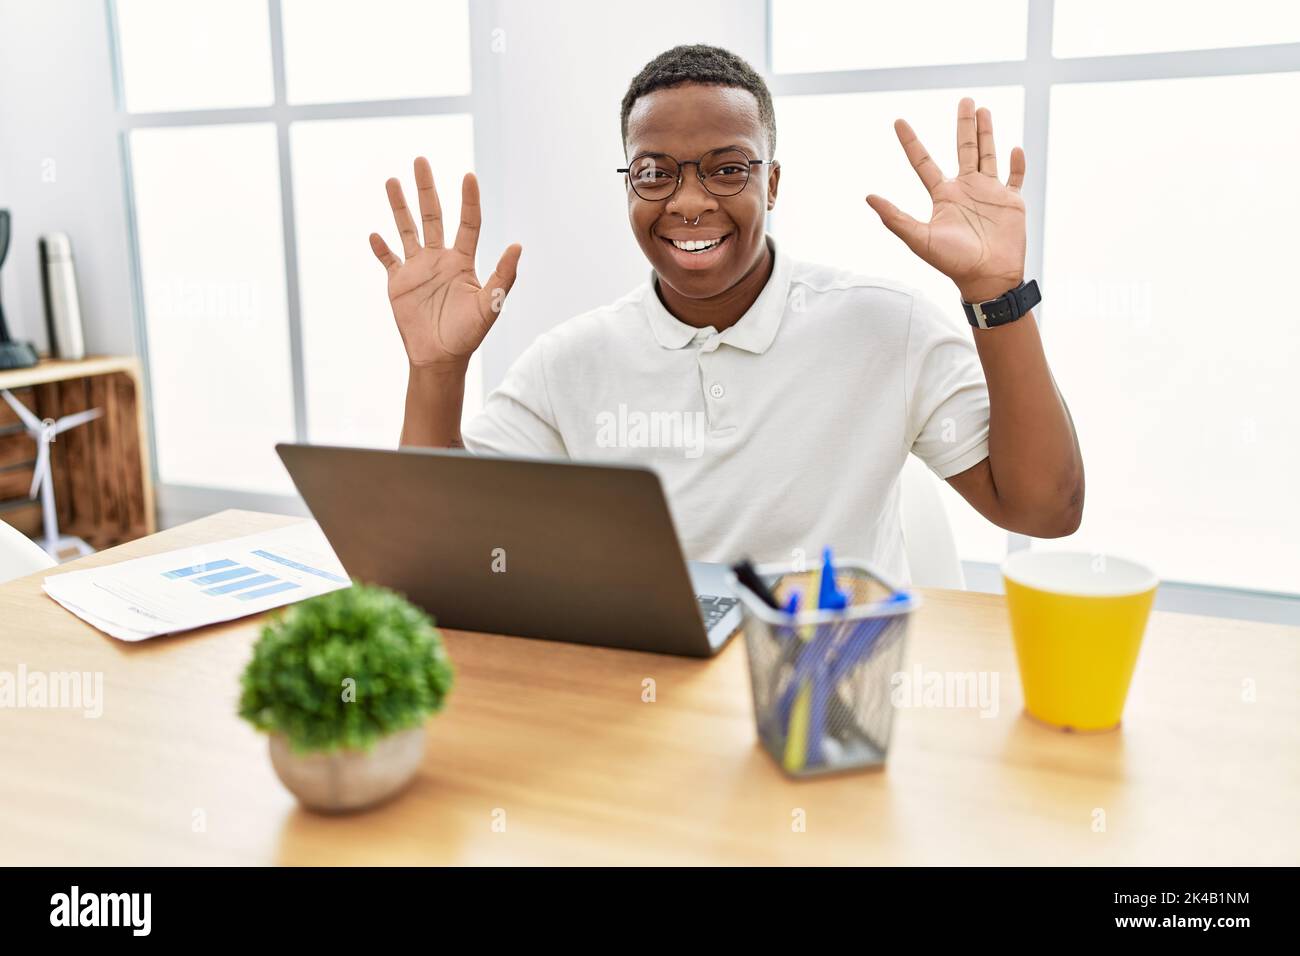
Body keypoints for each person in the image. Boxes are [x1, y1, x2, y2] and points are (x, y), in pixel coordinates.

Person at [369, 44, 1084, 583]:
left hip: (830, 699)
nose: (687, 201)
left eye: (727, 167)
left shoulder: (885, 327)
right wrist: (436, 370)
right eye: (654, 171)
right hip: (651, 706)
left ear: (772, 182)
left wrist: (997, 294)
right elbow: (441, 551)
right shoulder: (572, 362)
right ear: (629, 186)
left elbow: (1045, 509)